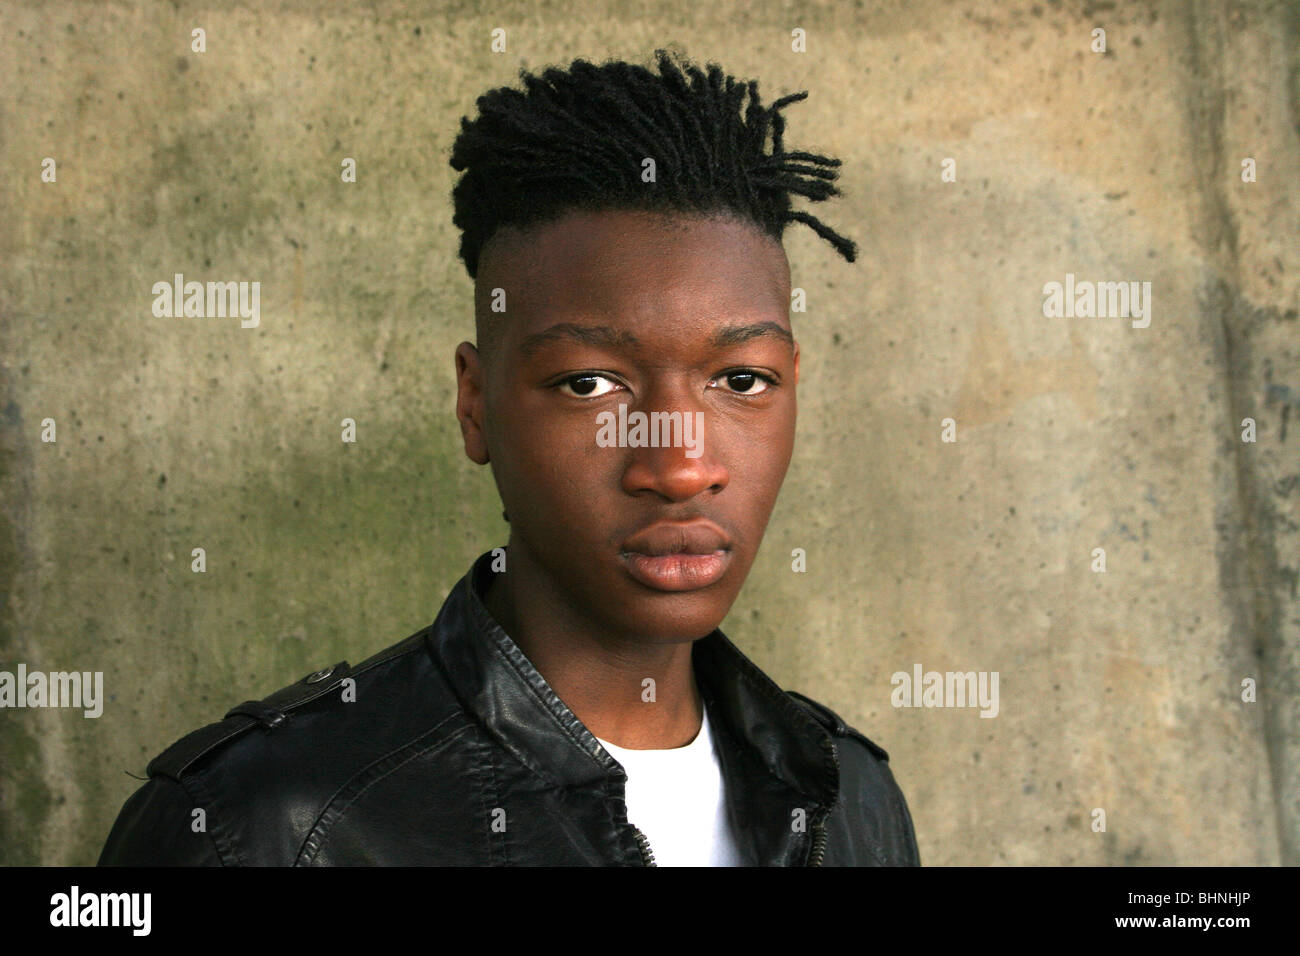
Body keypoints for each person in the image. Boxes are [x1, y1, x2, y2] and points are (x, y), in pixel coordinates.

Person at [98, 48, 920, 866]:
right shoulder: (259, 826)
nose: (677, 467)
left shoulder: (851, 798)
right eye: (589, 384)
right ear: (475, 402)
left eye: (742, 379)